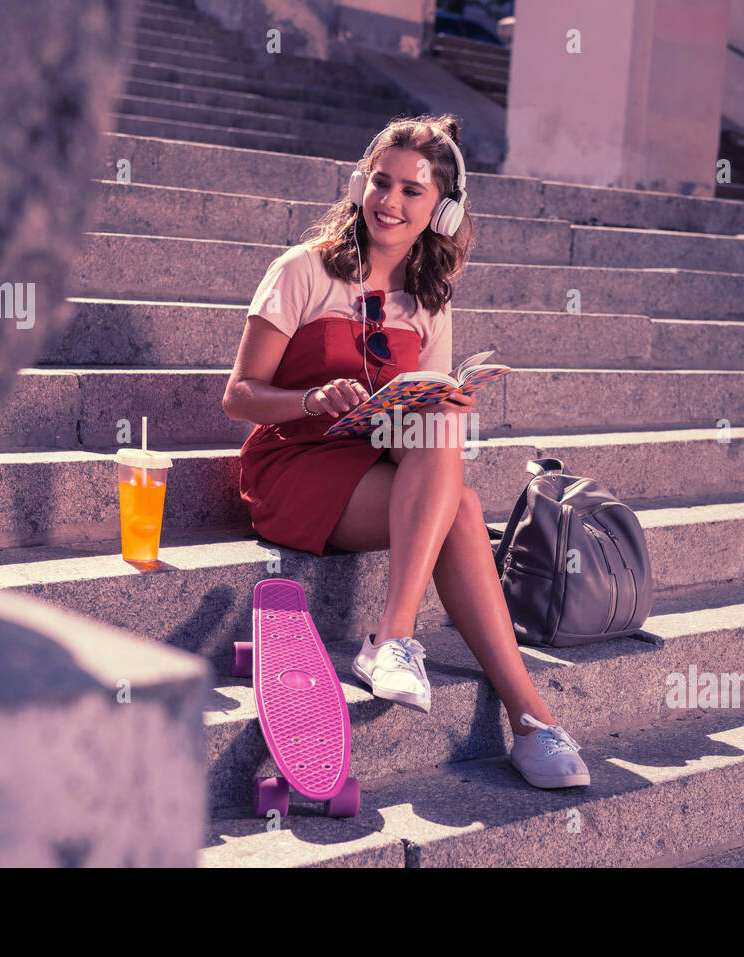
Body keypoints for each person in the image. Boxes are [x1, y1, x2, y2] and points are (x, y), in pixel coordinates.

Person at [221, 114, 589, 789]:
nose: (390, 202)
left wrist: (438, 403)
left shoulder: (429, 301)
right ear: (360, 184)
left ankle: (430, 661)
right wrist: (309, 400)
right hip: (291, 468)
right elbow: (239, 396)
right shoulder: (301, 271)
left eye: (411, 191)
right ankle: (522, 711)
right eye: (381, 184)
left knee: (442, 434)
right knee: (461, 507)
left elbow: (422, 417)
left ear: (442, 211)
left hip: (376, 468)